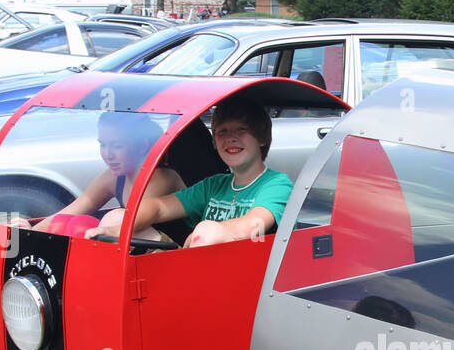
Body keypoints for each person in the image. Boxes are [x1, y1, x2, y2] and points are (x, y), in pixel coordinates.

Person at [87, 97, 292, 248]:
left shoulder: (276, 183)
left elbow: (252, 225)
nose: (231, 138)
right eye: (222, 131)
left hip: (248, 278)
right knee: (117, 217)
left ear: (261, 138)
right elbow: (158, 207)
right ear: (214, 141)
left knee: (206, 231)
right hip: (196, 267)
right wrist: (115, 230)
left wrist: (201, 233)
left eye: (241, 130)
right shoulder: (215, 184)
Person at [15, 112, 183, 236]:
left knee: (114, 217)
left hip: (174, 252)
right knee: (66, 223)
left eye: (117, 146)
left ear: (142, 146)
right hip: (137, 248)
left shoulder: (160, 178)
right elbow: (72, 211)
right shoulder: (113, 177)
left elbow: (132, 223)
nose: (108, 154)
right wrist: (31, 233)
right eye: (103, 145)